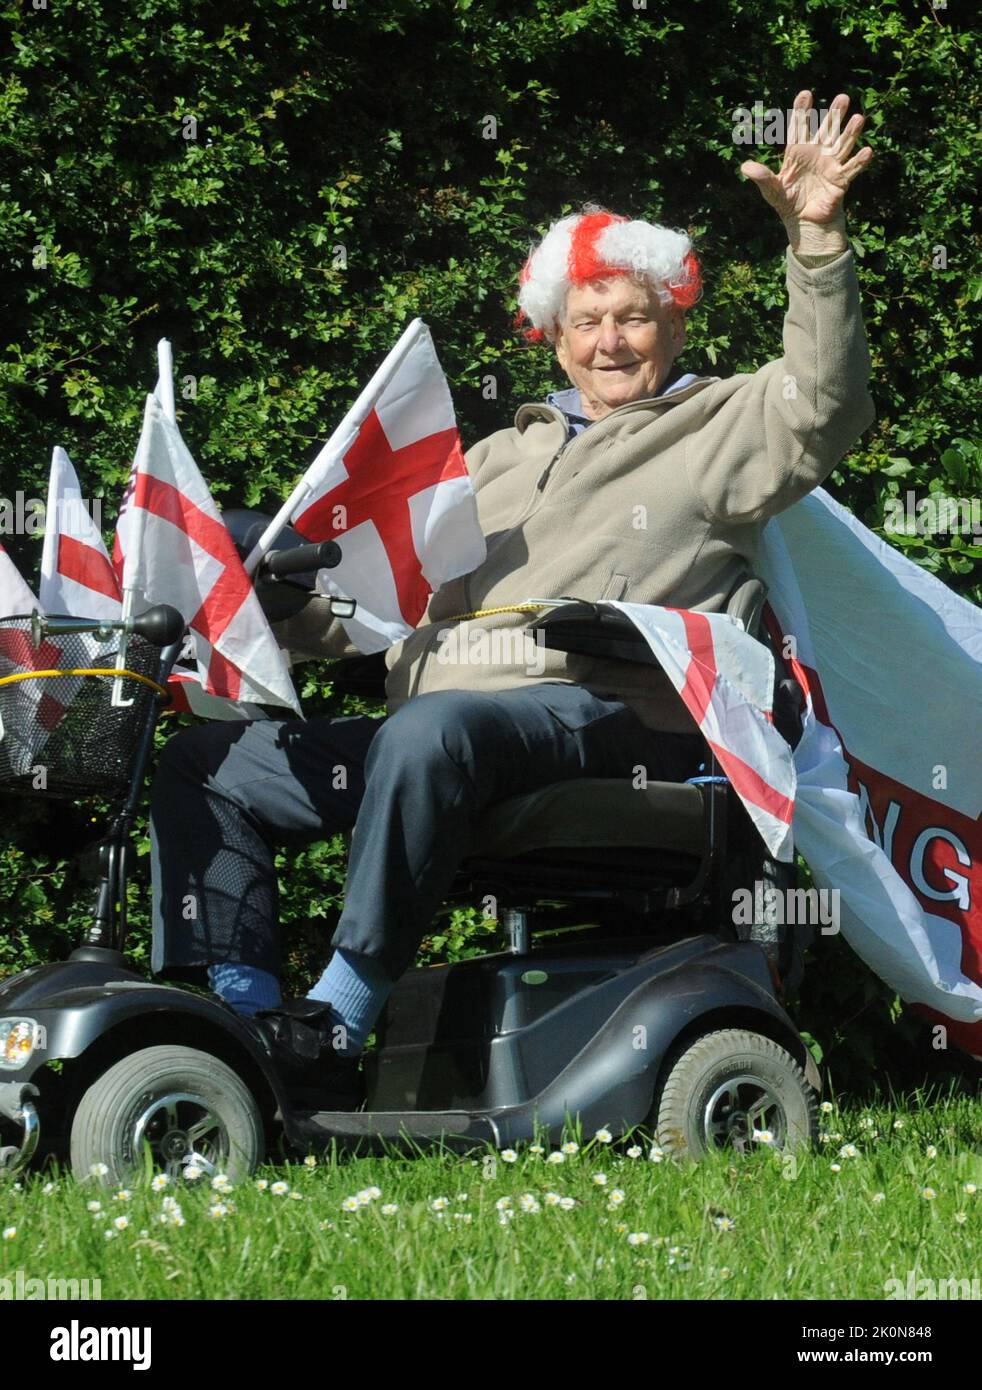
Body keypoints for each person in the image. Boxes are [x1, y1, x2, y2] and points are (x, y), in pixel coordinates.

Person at [149, 89, 875, 1108]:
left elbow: (827, 405)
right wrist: (268, 609)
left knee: (432, 731)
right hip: (450, 727)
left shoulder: (719, 425)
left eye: (634, 316)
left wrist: (816, 239)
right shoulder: (492, 458)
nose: (611, 340)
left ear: (672, 319)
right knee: (208, 763)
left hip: (620, 716)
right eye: (588, 321)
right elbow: (379, 620)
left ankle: (338, 1013)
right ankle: (242, 1013)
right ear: (552, 334)